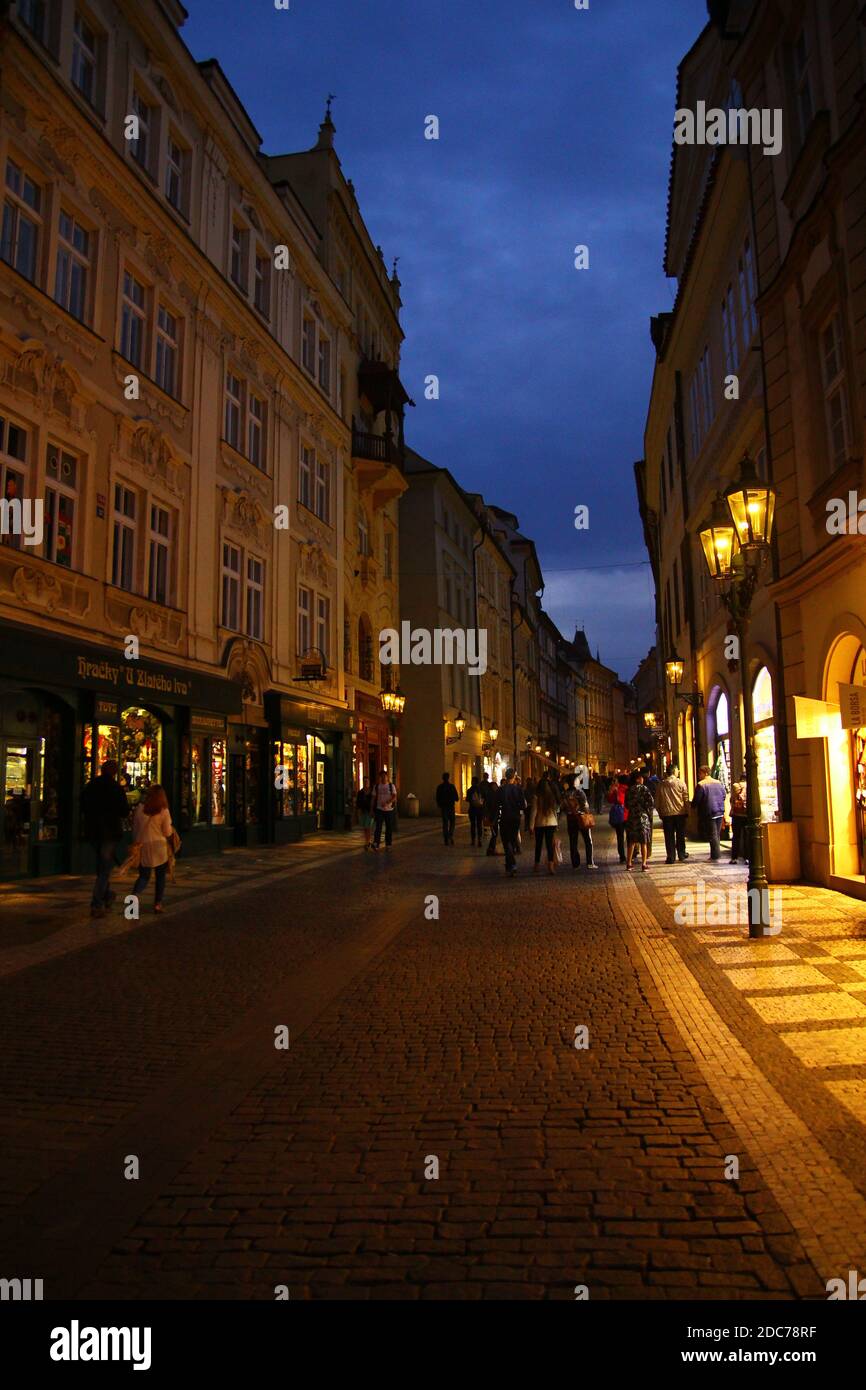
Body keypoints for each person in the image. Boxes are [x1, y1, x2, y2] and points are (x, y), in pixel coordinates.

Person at [81, 759, 130, 919]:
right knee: (104, 869)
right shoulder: (116, 788)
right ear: (115, 772)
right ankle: (96, 904)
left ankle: (107, 895)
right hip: (109, 833)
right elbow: (124, 811)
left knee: (102, 866)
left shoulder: (91, 786)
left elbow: (83, 805)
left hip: (93, 831)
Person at [131, 785, 175, 914]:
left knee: (143, 876)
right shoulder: (163, 811)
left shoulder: (140, 809)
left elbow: (135, 830)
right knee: (160, 876)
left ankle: (132, 901)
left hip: (143, 846)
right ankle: (157, 904)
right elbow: (167, 832)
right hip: (159, 847)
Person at [655, 763, 691, 864]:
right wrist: (687, 811)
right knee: (680, 834)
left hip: (666, 814)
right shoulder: (681, 783)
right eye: (677, 770)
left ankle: (671, 857)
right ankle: (681, 854)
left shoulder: (661, 785)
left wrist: (660, 812)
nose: (678, 772)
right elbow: (686, 798)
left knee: (669, 836)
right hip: (680, 813)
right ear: (674, 771)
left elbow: (657, 801)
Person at [562, 773, 596, 869]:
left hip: (571, 819)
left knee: (573, 841)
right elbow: (585, 805)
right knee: (588, 840)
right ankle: (590, 862)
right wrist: (587, 813)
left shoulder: (565, 793)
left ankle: (575, 863)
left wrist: (569, 811)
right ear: (575, 781)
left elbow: (563, 807)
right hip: (581, 818)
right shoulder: (580, 792)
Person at [693, 764, 726, 861]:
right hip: (719, 810)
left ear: (705, 773)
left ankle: (715, 855)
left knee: (712, 834)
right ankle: (716, 853)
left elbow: (697, 799)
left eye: (700, 773)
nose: (699, 775)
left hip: (708, 812)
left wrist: (693, 806)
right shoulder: (718, 782)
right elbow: (724, 795)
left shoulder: (701, 784)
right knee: (717, 833)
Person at [498, 768, 527, 876]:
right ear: (514, 776)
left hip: (505, 817)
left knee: (506, 842)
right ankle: (510, 865)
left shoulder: (501, 790)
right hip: (515, 818)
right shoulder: (518, 789)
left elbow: (496, 805)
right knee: (512, 840)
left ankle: (511, 865)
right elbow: (524, 805)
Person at [625, 770, 654, 872]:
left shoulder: (629, 790)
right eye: (641, 777)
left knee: (632, 842)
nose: (643, 779)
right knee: (643, 842)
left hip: (632, 818)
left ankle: (629, 863)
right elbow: (651, 802)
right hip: (643, 818)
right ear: (638, 779)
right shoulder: (644, 788)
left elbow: (626, 805)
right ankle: (644, 864)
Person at [531, 772, 560, 875]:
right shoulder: (551, 797)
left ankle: (536, 865)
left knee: (538, 845)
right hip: (551, 823)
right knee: (549, 845)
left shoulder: (536, 797)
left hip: (540, 823)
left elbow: (534, 812)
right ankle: (551, 866)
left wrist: (531, 826)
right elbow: (555, 811)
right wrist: (556, 824)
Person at [373, 769, 397, 849]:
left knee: (389, 827)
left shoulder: (391, 786)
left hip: (389, 810)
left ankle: (388, 844)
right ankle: (376, 843)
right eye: (381, 777)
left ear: (387, 777)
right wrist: (371, 809)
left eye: (384, 776)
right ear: (380, 777)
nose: (383, 778)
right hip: (379, 809)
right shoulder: (377, 786)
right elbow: (373, 798)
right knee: (378, 827)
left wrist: (387, 803)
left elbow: (394, 797)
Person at [607, 775, 629, 864]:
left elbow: (611, 800)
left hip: (621, 816)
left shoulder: (619, 789)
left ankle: (623, 857)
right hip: (627, 815)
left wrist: (612, 792)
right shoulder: (628, 789)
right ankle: (629, 855)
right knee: (629, 837)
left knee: (620, 837)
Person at [435, 771, 459, 846]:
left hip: (444, 807)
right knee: (452, 822)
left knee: (445, 823)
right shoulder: (452, 787)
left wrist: (439, 804)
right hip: (451, 807)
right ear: (448, 778)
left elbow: (437, 797)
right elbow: (456, 798)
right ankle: (450, 835)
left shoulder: (439, 787)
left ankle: (446, 837)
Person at [729, 771, 748, 864]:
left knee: (736, 836)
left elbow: (731, 799)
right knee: (747, 836)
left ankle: (734, 857)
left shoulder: (736, 786)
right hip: (747, 814)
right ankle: (747, 857)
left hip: (736, 815)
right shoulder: (750, 786)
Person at [482, 773, 501, 855]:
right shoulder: (492, 795)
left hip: (493, 816)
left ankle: (491, 848)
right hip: (493, 817)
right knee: (494, 833)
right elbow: (492, 807)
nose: (497, 787)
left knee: (494, 833)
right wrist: (490, 817)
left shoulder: (491, 794)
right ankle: (490, 849)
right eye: (495, 786)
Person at [467, 775, 485, 847]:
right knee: (479, 824)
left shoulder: (470, 790)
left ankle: (473, 840)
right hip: (480, 809)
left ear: (473, 782)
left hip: (472, 809)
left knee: (473, 825)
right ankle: (479, 840)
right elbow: (484, 798)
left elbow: (467, 799)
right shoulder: (481, 790)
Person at [356, 783, 374, 850]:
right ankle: (367, 841)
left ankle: (368, 841)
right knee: (365, 827)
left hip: (369, 811)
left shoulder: (372, 792)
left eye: (367, 781)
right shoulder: (360, 792)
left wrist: (373, 810)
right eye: (364, 781)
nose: (366, 783)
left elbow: (373, 801)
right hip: (363, 811)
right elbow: (358, 802)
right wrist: (358, 810)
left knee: (368, 827)